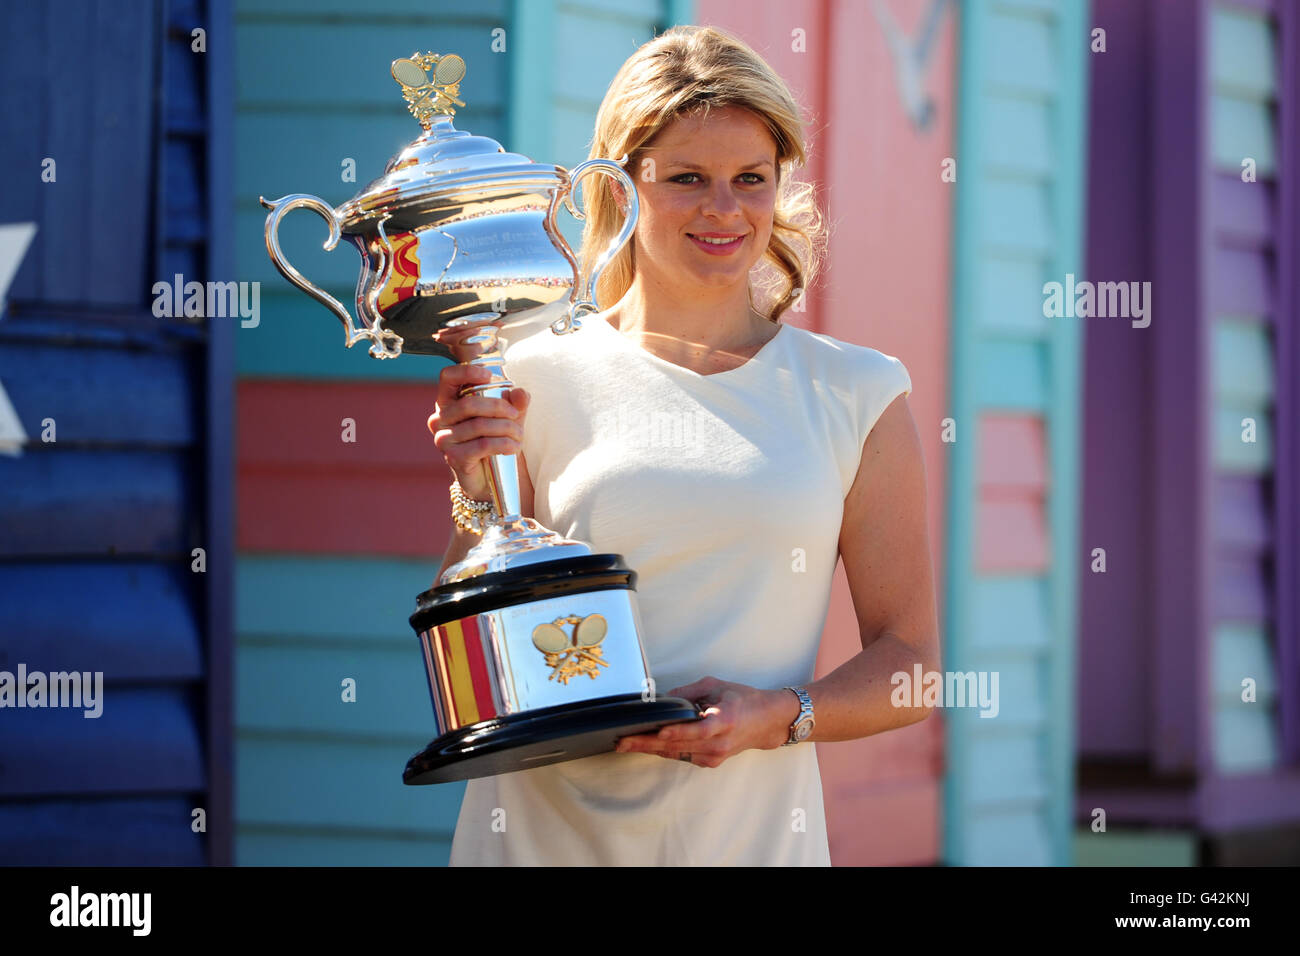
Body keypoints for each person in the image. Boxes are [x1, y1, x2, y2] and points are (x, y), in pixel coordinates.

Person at [426, 24, 940, 866]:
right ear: (621, 187)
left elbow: (911, 665)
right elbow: (468, 650)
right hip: (540, 841)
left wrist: (779, 716)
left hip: (753, 843)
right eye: (688, 179)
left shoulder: (858, 393)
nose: (724, 210)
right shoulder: (530, 374)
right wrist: (477, 486)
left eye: (752, 180)